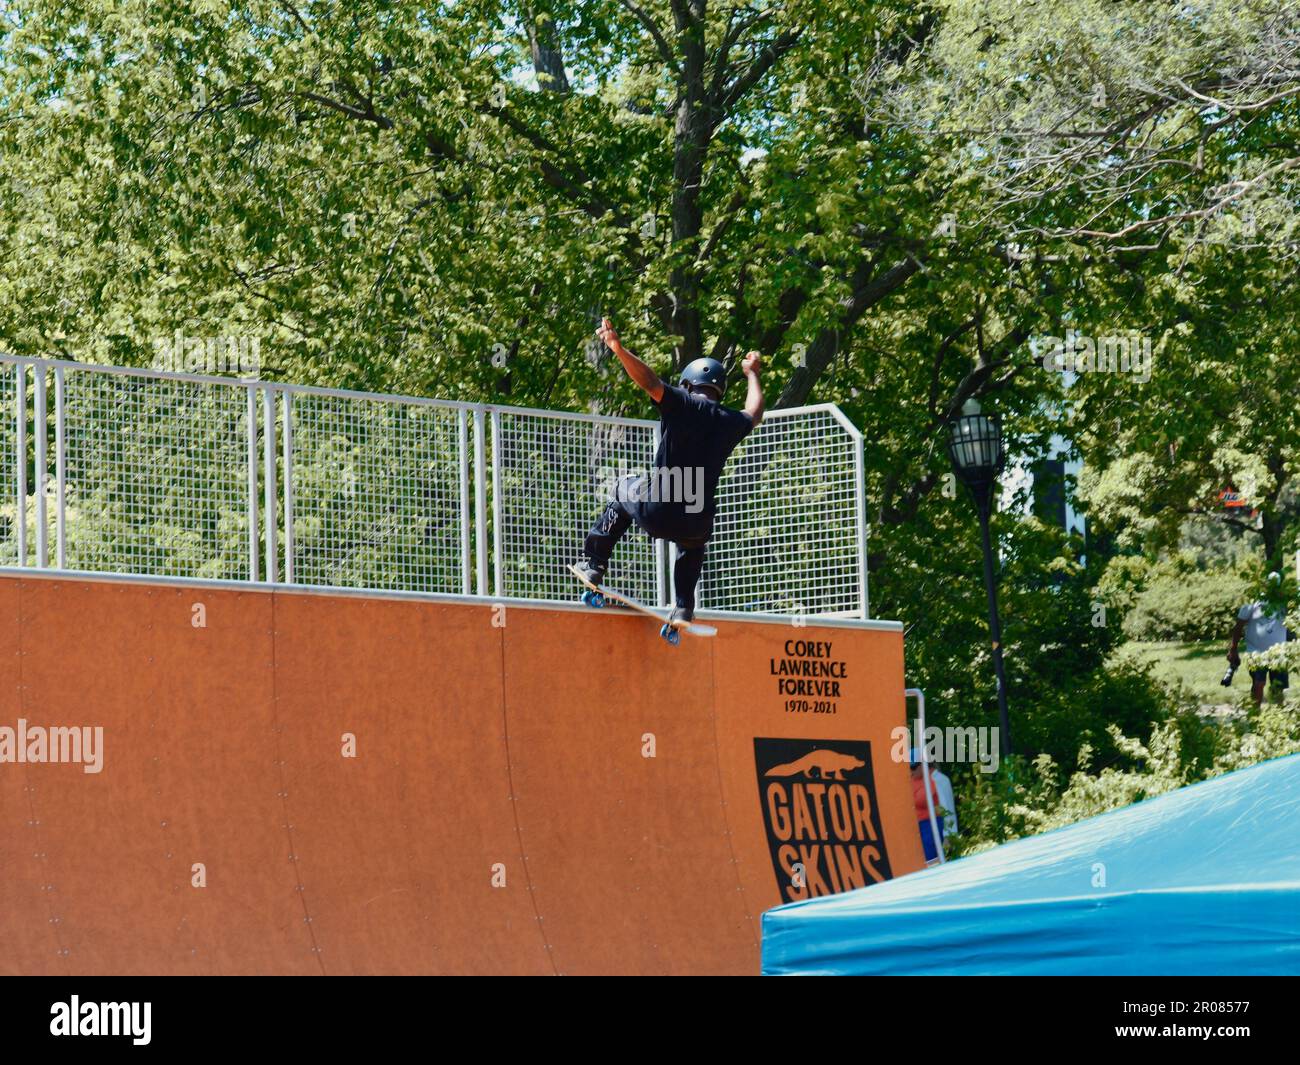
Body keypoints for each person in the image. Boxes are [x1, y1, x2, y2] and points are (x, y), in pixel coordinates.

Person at [574, 319, 764, 625]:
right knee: (694, 543)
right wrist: (753, 374)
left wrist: (618, 348)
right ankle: (683, 607)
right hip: (696, 521)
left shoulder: (683, 402)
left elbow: (649, 382)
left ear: (687, 385)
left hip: (657, 511)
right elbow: (754, 412)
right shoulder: (730, 421)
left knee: (623, 486)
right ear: (720, 392)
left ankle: (594, 562)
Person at [1227, 572, 1291, 706]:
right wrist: (1233, 648)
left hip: (1279, 653)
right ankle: (1255, 715)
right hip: (1256, 652)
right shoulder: (1253, 603)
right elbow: (1238, 626)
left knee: (1278, 687)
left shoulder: (1285, 603)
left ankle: (1278, 720)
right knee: (1258, 683)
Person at [910, 753, 944, 863]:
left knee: (931, 858)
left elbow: (921, 800)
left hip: (931, 823)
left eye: (913, 767)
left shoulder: (933, 779)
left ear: (922, 765)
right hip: (917, 826)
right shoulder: (911, 780)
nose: (911, 771)